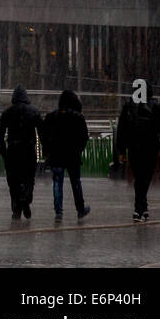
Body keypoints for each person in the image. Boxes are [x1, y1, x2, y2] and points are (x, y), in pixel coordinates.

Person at [115, 97, 160, 222]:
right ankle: (139, 209)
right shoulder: (154, 106)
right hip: (151, 148)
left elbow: (122, 128)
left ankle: (141, 208)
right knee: (145, 178)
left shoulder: (128, 105)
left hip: (134, 147)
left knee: (139, 178)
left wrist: (122, 150)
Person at [41, 89, 90, 222]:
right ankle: (80, 209)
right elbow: (84, 137)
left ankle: (58, 212)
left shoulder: (51, 117)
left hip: (56, 156)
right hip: (73, 156)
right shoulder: (78, 117)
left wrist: (48, 151)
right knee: (76, 183)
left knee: (57, 183)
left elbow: (44, 136)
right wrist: (78, 150)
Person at [0, 85, 42, 221]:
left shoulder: (7, 113)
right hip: (28, 150)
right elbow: (42, 132)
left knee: (13, 180)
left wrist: (4, 153)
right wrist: (44, 153)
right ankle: (26, 200)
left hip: (13, 151)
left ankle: (16, 208)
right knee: (29, 179)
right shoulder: (34, 112)